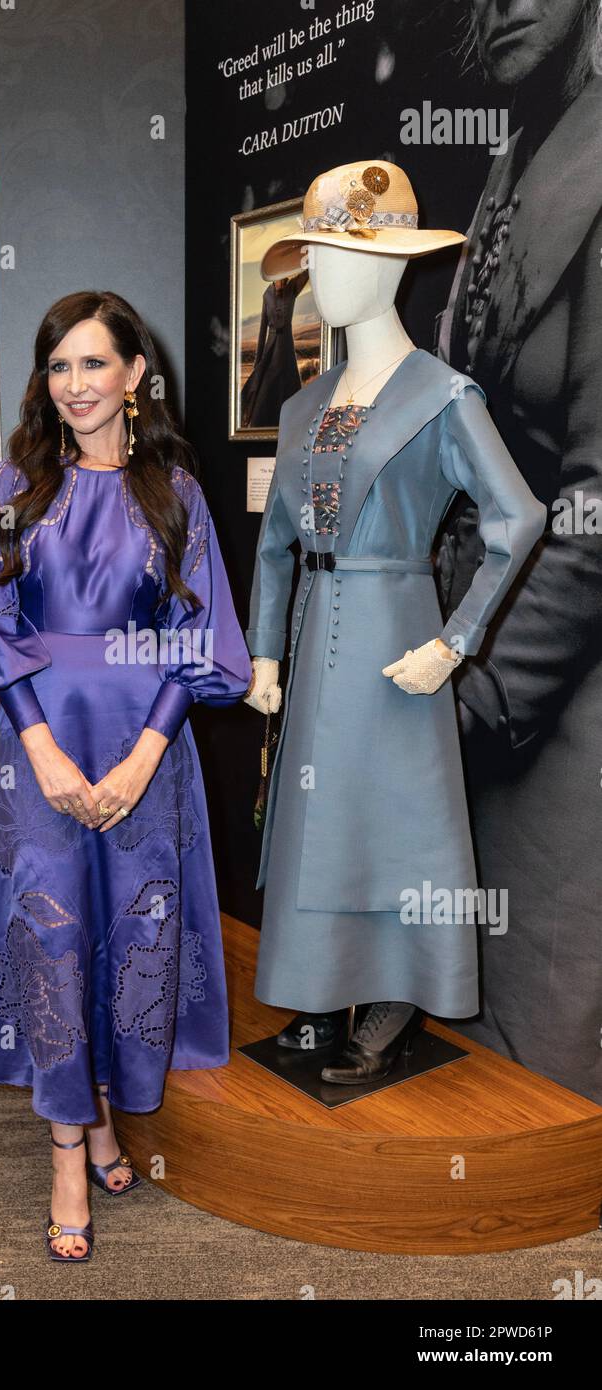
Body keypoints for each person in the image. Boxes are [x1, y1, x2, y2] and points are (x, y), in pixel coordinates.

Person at [0, 291, 253, 1260]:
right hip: (38, 742)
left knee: (131, 931)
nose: (74, 384)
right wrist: (38, 745)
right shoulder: (14, 486)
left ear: (133, 375)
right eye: (58, 365)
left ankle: (106, 1111)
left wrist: (147, 751)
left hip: (145, 744)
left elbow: (199, 641)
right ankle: (68, 1147)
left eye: (93, 363)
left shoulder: (176, 493)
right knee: (55, 940)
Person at [246, 161, 546, 1084]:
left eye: (339, 252)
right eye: (316, 255)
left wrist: (455, 642)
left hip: (397, 634)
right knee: (320, 820)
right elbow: (274, 547)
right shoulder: (303, 407)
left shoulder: (441, 395)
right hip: (314, 633)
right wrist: (263, 653)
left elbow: (519, 518)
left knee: (397, 822)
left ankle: (400, 991)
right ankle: (323, 986)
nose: (322, 277)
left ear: (389, 265)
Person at [436, 0, 602, 1103]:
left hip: (563, 676)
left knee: (547, 1044)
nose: (493, 14)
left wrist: (479, 695)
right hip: (480, 644)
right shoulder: (514, 153)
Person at [240, 271, 310, 429]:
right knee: (266, 388)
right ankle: (261, 424)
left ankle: (291, 426)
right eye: (278, 278)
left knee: (289, 386)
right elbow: (262, 329)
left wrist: (309, 258)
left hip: (287, 347)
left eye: (283, 277)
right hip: (271, 348)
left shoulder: (292, 288)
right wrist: (257, 363)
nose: (281, 281)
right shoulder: (267, 295)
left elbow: (307, 274)